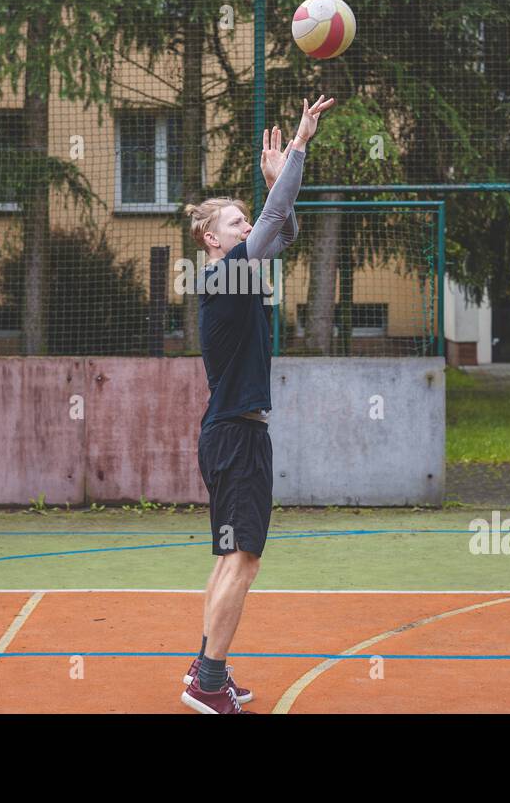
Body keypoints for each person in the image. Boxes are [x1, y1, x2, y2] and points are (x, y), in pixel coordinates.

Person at [179, 95, 335, 714]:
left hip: (230, 435)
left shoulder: (234, 276)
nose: (247, 228)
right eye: (236, 223)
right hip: (235, 439)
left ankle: (206, 667)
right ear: (209, 238)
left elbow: (279, 230)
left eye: (246, 220)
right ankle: (208, 682)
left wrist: (279, 193)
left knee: (227, 557)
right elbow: (274, 226)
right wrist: (298, 146)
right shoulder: (223, 276)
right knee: (244, 559)